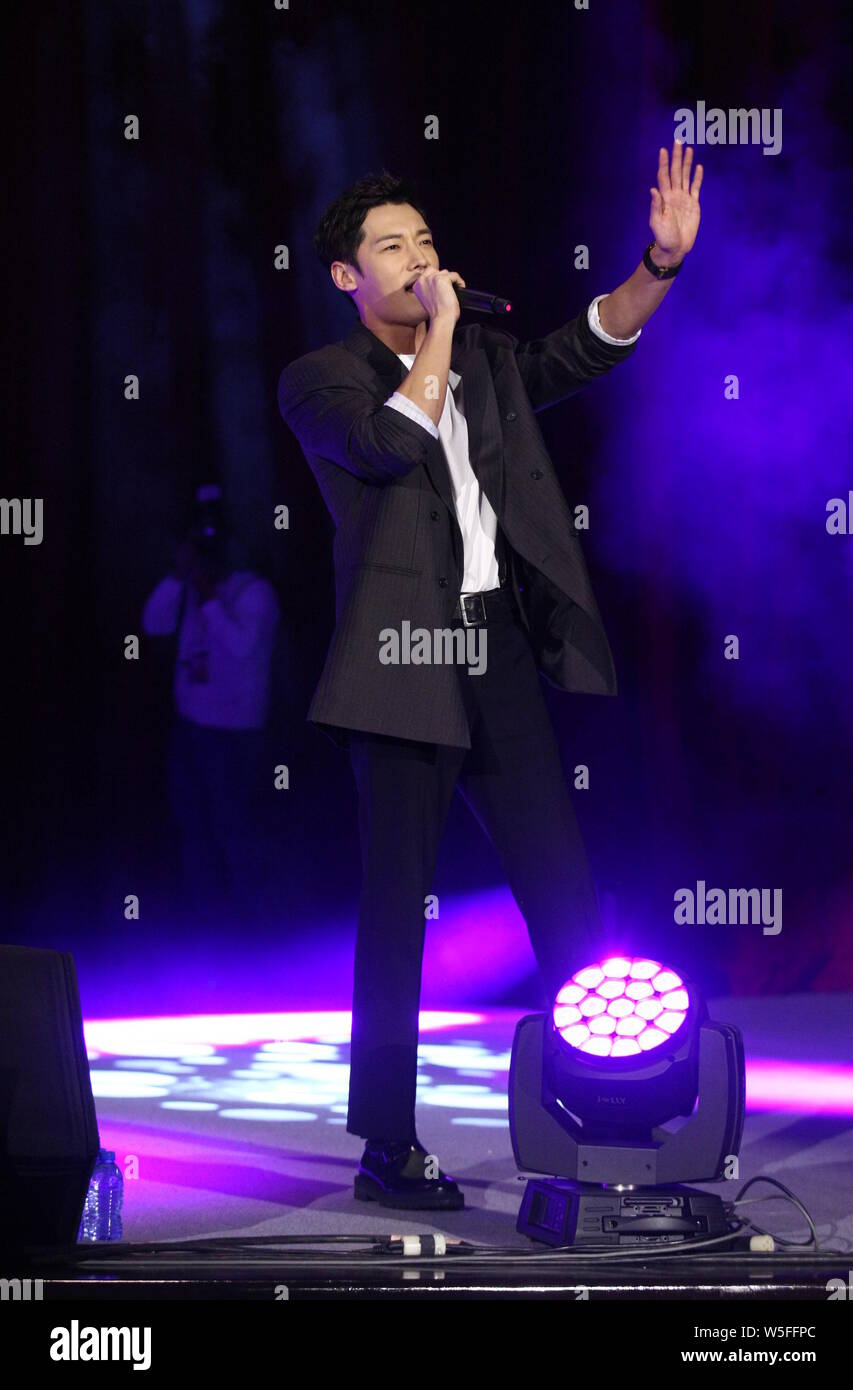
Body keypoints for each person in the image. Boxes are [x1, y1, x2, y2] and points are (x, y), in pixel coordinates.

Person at [277, 147, 702, 1210]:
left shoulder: (483, 361)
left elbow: (584, 343)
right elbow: (388, 442)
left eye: (425, 242)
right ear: (345, 277)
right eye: (392, 248)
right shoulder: (320, 378)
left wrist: (656, 262)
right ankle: (387, 1145)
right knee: (395, 909)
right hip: (396, 663)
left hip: (492, 648)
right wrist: (444, 333)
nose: (420, 261)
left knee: (562, 889)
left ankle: (606, 1108)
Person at [142, 485, 281, 924]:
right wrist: (177, 576)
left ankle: (251, 929)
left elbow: (242, 650)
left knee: (235, 830)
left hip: (234, 733)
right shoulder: (191, 586)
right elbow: (152, 624)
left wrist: (208, 599)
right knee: (194, 829)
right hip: (190, 727)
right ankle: (209, 925)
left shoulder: (255, 592)